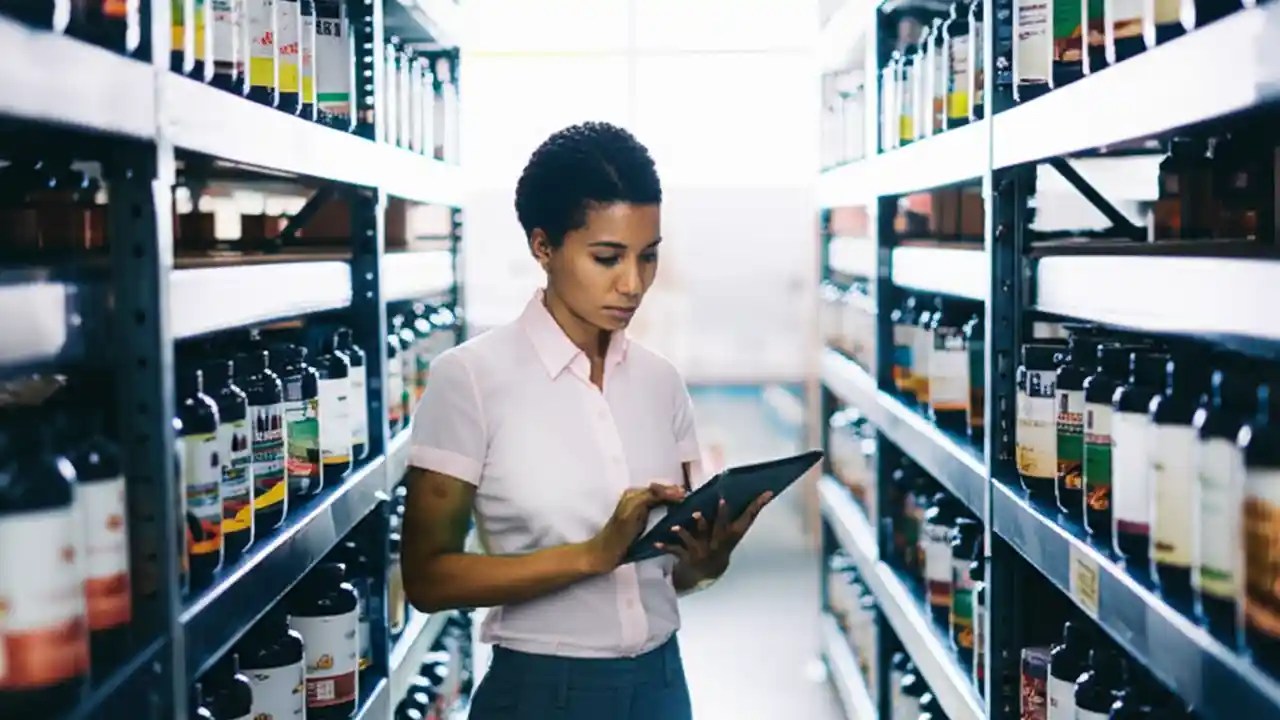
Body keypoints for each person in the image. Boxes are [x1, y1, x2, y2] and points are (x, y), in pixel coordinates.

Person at [401, 121, 773, 719]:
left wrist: (705, 562)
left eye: (647, 257)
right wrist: (592, 554)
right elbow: (427, 579)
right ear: (543, 246)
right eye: (607, 257)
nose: (632, 284)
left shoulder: (660, 383)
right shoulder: (470, 378)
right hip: (541, 692)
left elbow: (671, 577)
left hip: (662, 687)